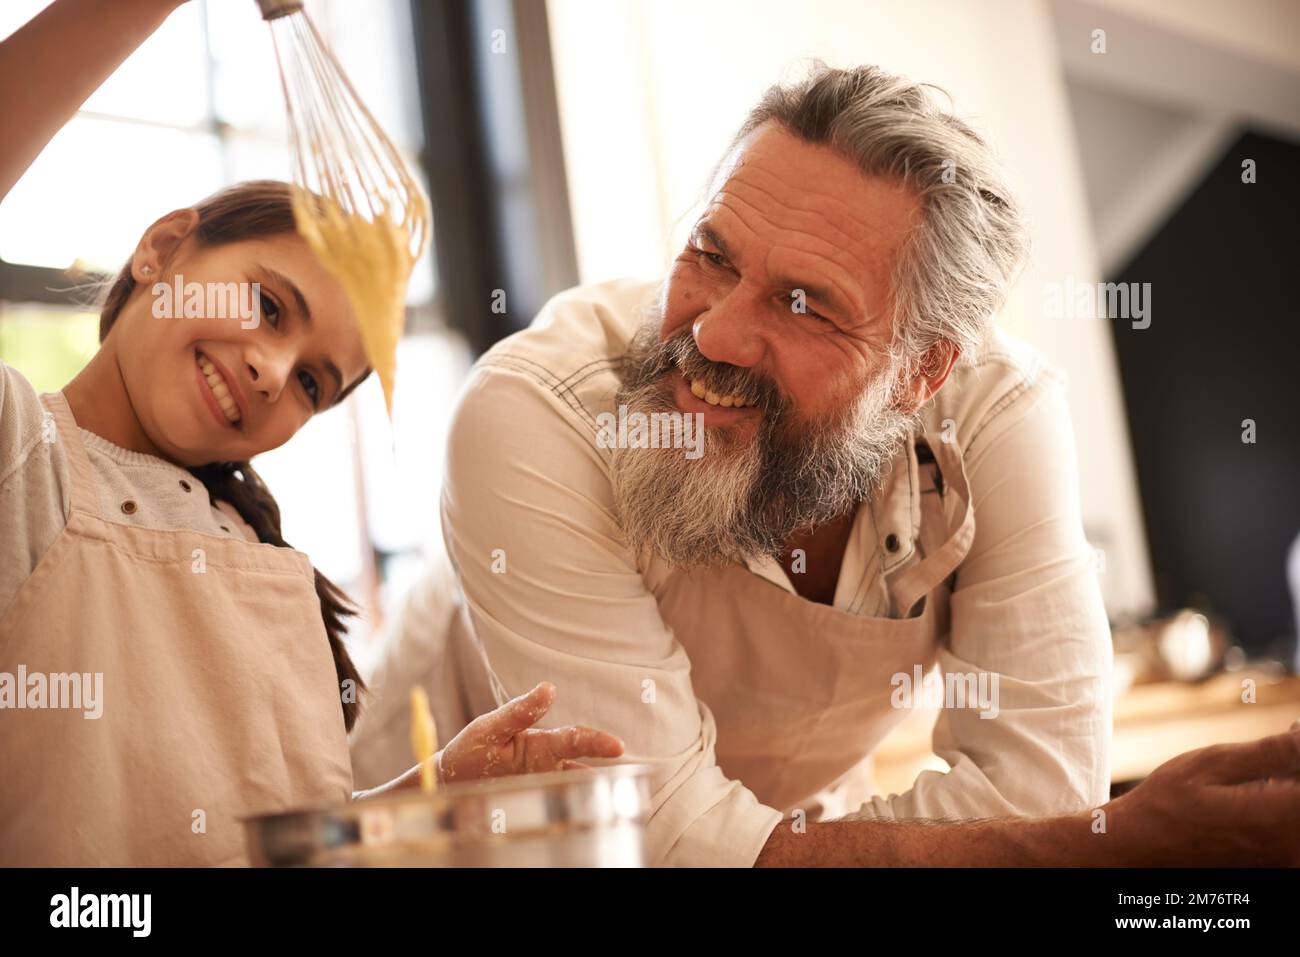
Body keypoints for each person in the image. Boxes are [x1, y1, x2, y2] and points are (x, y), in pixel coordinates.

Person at [431, 62, 1300, 866]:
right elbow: (664, 840)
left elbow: (1043, 788)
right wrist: (1104, 848)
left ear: (922, 372)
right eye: (712, 255)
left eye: (805, 305)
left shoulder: (998, 413)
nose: (713, 334)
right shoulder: (537, 413)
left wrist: (773, 848)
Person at [0, 0, 622, 866]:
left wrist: (423, 797)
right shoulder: (22, 455)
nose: (270, 369)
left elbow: (264, 844)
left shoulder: (255, 552)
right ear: (164, 247)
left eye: (311, 382)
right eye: (266, 304)